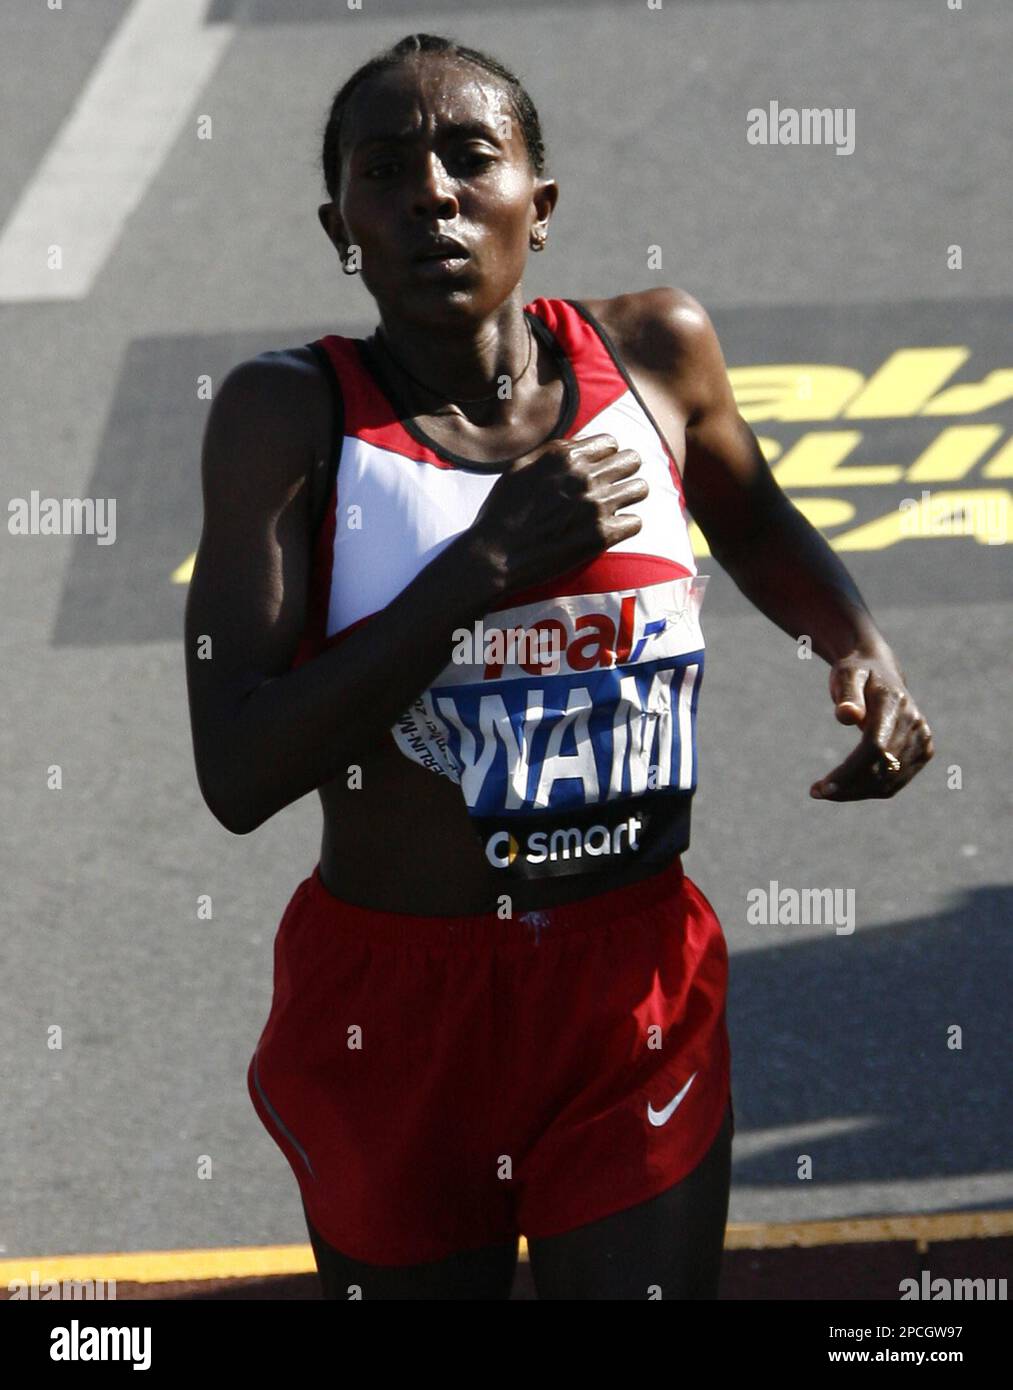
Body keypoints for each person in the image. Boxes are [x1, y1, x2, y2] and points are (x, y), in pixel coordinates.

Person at [184, 33, 934, 1301]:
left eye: (471, 157)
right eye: (385, 168)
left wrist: (856, 645)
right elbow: (240, 768)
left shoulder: (654, 353)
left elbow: (750, 519)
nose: (431, 191)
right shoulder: (287, 416)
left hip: (627, 977)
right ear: (340, 227)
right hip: (393, 1000)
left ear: (542, 203)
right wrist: (476, 573)